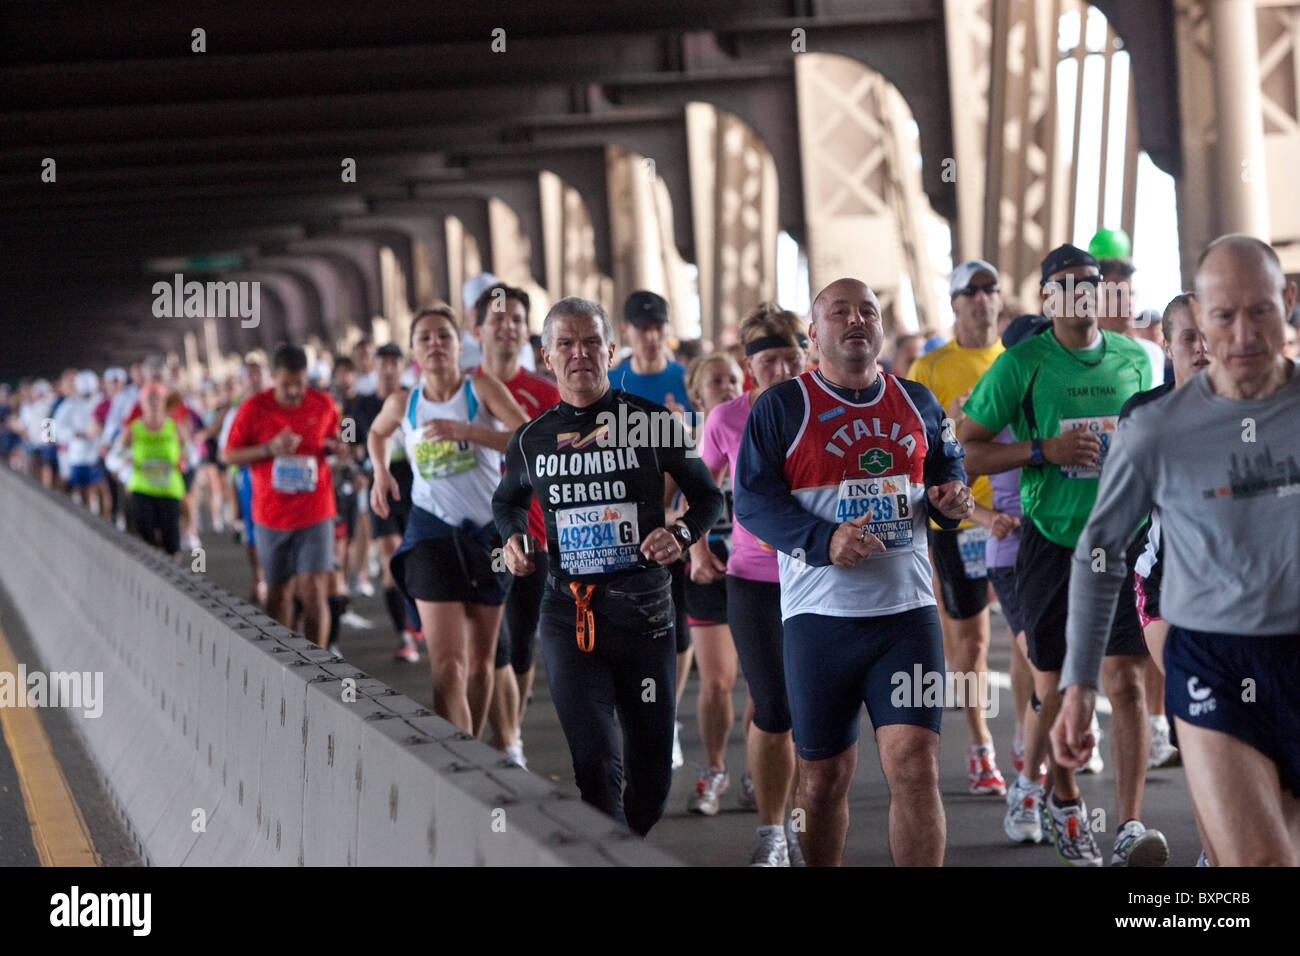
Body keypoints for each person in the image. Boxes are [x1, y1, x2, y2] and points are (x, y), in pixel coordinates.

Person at [1054, 234, 1300, 867]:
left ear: (1288, 302)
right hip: (1212, 659)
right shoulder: (1158, 427)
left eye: (1260, 311)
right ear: (1200, 320)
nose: (1242, 333)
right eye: (1223, 316)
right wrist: (1080, 684)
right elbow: (1100, 548)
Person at [734, 278, 975, 866]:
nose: (856, 320)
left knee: (916, 767)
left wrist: (952, 502)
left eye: (867, 310)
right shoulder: (783, 406)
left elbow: (950, 472)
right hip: (820, 621)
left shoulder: (918, 402)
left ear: (881, 328)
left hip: (906, 616)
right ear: (815, 335)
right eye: (839, 312)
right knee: (822, 781)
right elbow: (752, 501)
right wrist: (824, 539)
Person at [959, 243, 1164, 866]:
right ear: (1049, 297)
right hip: (1052, 541)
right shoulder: (1022, 363)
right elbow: (967, 451)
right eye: (1068, 284)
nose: (1083, 291)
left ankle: (1129, 823)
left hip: (1124, 539)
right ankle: (1065, 797)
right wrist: (1043, 450)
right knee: (1052, 685)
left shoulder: (1136, 358)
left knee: (1124, 680)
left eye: (1092, 281)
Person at [493, 296, 723, 836]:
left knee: (649, 777)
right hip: (569, 617)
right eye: (566, 344)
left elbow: (709, 497)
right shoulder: (531, 437)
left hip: (645, 616)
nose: (580, 354)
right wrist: (513, 539)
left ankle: (629, 842)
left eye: (591, 342)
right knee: (595, 766)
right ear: (547, 358)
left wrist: (681, 534)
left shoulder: (652, 423)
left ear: (611, 350)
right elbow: (506, 501)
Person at [368, 306, 527, 736]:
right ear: (414, 352)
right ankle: (459, 764)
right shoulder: (404, 402)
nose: (435, 344)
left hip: (487, 536)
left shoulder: (480, 388)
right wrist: (381, 473)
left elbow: (525, 437)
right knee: (449, 667)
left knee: (480, 666)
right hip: (431, 535)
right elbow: (377, 432)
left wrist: (469, 432)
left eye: (444, 336)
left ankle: (471, 748)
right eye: (425, 338)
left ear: (460, 345)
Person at [697, 303, 810, 865]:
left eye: (793, 358)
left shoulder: (825, 407)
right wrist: (697, 549)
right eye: (770, 361)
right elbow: (697, 492)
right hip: (754, 579)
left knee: (811, 711)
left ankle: (798, 819)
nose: (784, 371)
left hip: (820, 581)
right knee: (773, 704)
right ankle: (773, 832)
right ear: (749, 365)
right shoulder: (726, 419)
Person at [908, 260, 1008, 795]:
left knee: (1032, 636)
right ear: (954, 303)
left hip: (1019, 516)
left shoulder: (1015, 360)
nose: (981, 298)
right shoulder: (930, 368)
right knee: (970, 643)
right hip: (959, 521)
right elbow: (917, 452)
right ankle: (980, 746)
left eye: (990, 288)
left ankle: (1044, 739)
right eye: (970, 290)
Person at [471, 282, 561, 768]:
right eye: (497, 318)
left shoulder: (546, 393)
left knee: (522, 643)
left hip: (534, 531)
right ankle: (504, 741)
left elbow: (545, 452)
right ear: (477, 328)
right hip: (475, 532)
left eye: (516, 320)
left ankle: (511, 728)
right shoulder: (458, 389)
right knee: (494, 643)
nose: (507, 326)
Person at [1123, 294, 1211, 774]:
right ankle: (1214, 848)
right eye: (1189, 338)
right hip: (1164, 583)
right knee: (1198, 717)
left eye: (1208, 336)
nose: (1201, 349)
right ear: (1167, 343)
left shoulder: (1254, 409)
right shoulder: (1145, 413)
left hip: (1243, 589)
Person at [608, 290, 695, 769]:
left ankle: (669, 715)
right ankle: (635, 712)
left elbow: (702, 456)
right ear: (627, 332)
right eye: (642, 327)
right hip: (619, 524)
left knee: (675, 627)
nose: (650, 335)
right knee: (625, 627)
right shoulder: (610, 381)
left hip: (674, 522)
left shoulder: (685, 381)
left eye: (658, 326)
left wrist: (681, 435)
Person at [222, 344, 340, 648]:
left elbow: (338, 440)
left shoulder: (323, 403)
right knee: (278, 594)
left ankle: (320, 665)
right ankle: (284, 662)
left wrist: (341, 448)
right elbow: (228, 456)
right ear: (273, 376)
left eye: (299, 383)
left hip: (315, 511)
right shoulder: (253, 408)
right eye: (286, 384)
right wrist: (268, 449)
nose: (294, 391)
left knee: (313, 592)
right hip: (270, 515)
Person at [680, 352, 745, 816]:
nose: (726, 387)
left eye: (733, 380)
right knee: (718, 681)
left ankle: (759, 770)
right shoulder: (679, 445)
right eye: (715, 380)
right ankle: (716, 767)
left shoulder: (755, 434)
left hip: (758, 567)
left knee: (769, 687)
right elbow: (658, 510)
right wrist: (695, 547)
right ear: (696, 392)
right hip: (706, 570)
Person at [360, 343, 422, 663]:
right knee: (391, 558)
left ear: (403, 365)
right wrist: (355, 462)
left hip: (416, 487)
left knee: (414, 559)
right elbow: (352, 440)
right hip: (381, 487)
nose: (387, 367)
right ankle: (405, 635)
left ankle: (419, 614)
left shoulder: (415, 398)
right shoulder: (363, 404)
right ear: (374, 365)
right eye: (382, 361)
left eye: (393, 361)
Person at [113, 382, 189, 555]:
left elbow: (191, 454)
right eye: (149, 399)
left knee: (171, 540)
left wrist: (184, 458)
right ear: (142, 402)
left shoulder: (175, 427)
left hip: (169, 488)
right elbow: (114, 457)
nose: (154, 403)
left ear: (164, 401)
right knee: (145, 538)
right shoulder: (132, 429)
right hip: (141, 488)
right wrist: (125, 461)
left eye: (158, 399)